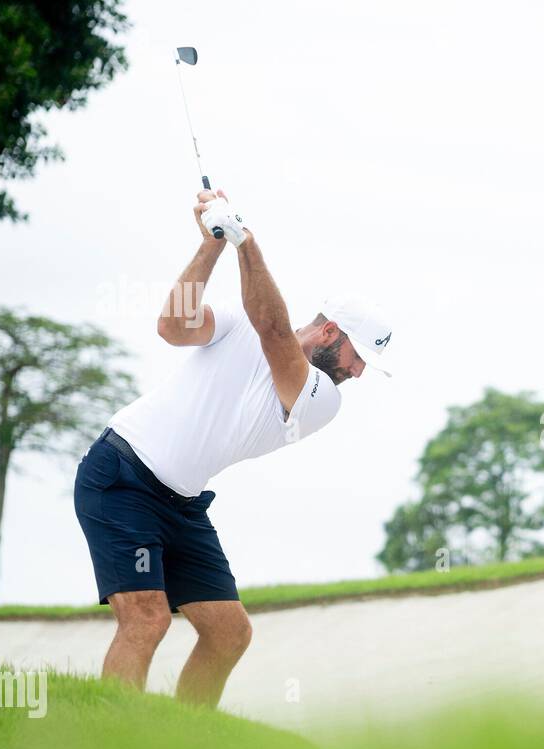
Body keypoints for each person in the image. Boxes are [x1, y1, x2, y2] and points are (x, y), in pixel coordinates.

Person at [73, 189, 392, 706]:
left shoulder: (321, 397)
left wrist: (245, 239)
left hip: (181, 502)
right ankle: (113, 743)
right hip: (121, 477)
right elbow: (172, 326)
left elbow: (272, 330)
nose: (359, 372)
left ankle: (189, 746)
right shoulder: (240, 322)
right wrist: (214, 244)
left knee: (229, 632)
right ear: (332, 331)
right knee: (147, 619)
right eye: (360, 358)